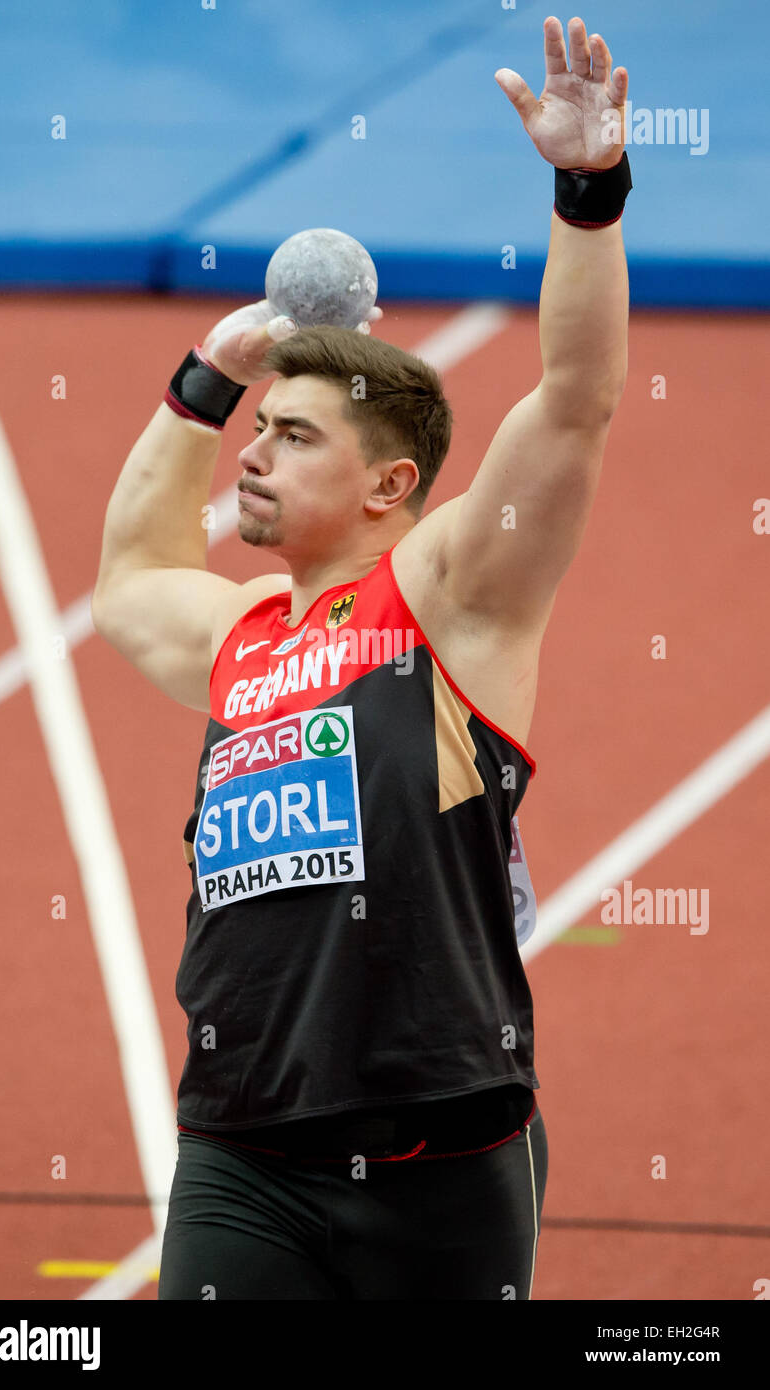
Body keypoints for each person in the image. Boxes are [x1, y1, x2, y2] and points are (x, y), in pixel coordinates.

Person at [92, 15, 630, 1300]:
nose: (252, 456)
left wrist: (586, 191)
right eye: (253, 433)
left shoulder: (449, 599)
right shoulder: (242, 636)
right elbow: (127, 581)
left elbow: (573, 398)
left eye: (289, 434)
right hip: (242, 1145)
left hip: (444, 1145)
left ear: (389, 482)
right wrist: (206, 377)